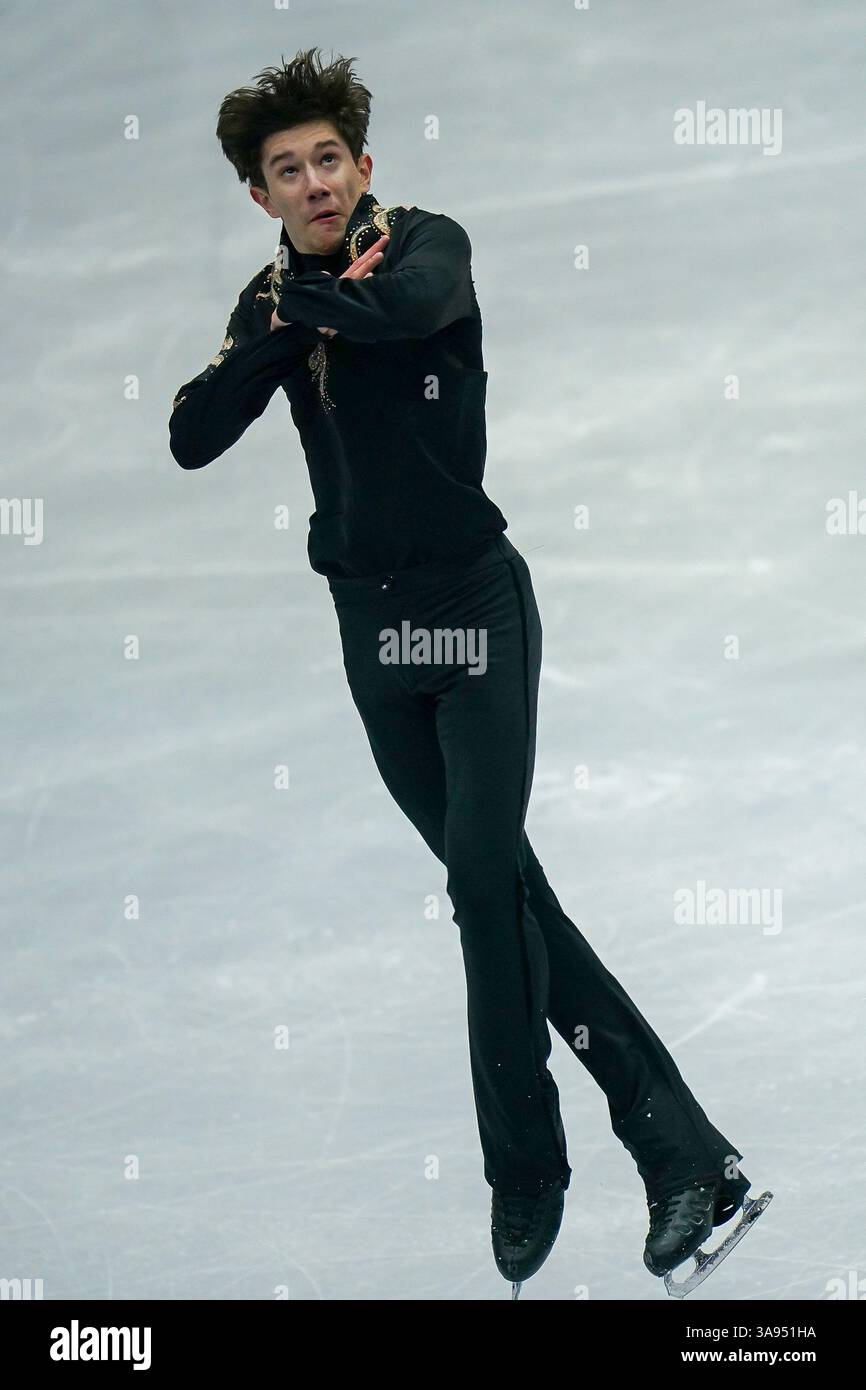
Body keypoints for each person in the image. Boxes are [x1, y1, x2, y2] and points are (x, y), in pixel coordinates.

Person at [169, 47, 752, 1292]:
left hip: (473, 613)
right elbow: (189, 434)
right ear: (259, 197)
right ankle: (683, 1153)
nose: (315, 182)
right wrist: (276, 323)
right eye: (288, 171)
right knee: (512, 899)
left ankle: (524, 1168)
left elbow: (403, 311)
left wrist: (288, 317)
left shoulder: (428, 241)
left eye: (329, 159)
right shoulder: (265, 300)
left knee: (482, 891)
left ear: (363, 166)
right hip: (371, 641)